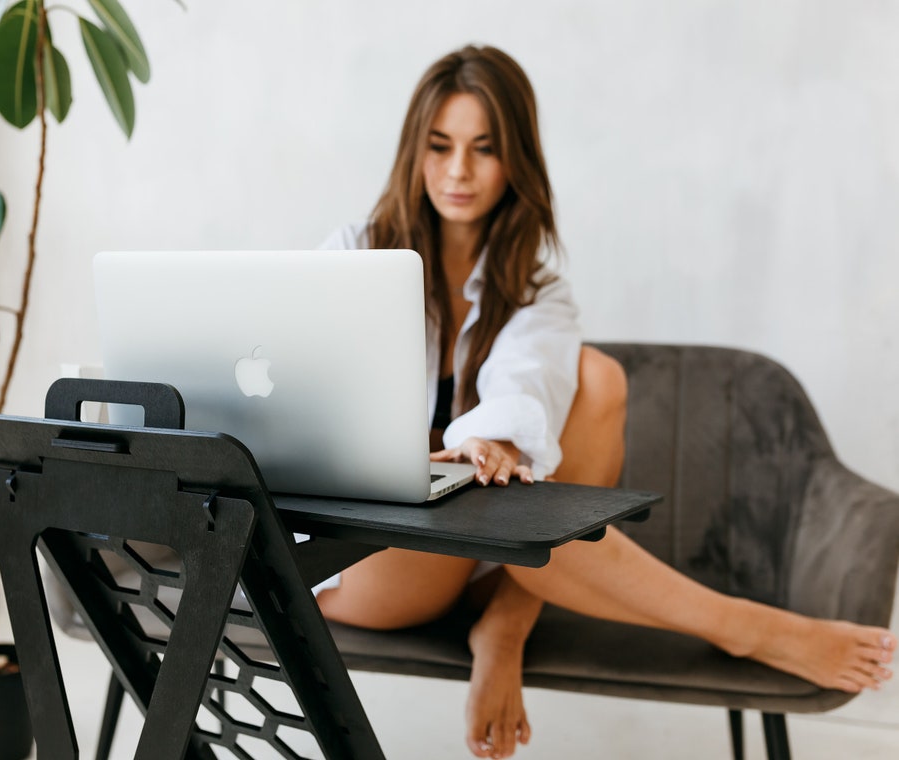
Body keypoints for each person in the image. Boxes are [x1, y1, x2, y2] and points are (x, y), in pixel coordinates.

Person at [313, 44, 895, 759]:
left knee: (597, 379)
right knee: (467, 491)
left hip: (475, 553)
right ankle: (745, 626)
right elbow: (316, 392)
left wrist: (489, 442)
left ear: (515, 160)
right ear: (414, 151)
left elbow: (530, 375)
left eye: (483, 149)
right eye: (440, 146)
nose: (458, 171)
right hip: (374, 558)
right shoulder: (355, 254)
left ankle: (506, 624)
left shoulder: (536, 288)